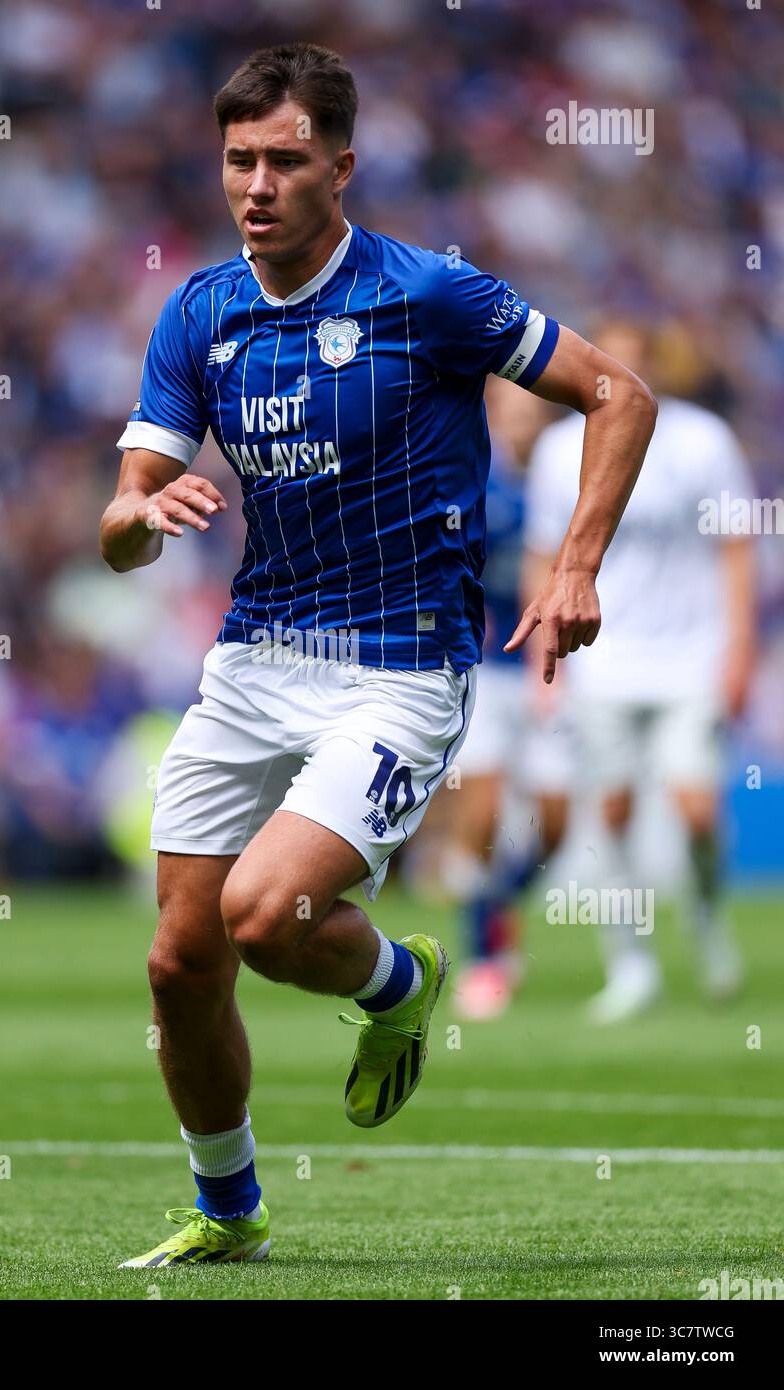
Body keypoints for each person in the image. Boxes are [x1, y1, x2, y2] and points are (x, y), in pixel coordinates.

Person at [99, 43, 656, 1266]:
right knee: (177, 958)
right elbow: (118, 519)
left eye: (285, 161)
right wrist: (137, 516)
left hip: (398, 667)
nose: (256, 185)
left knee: (260, 916)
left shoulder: (427, 295)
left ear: (340, 168)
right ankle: (229, 1209)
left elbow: (618, 395)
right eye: (239, 159)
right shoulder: (199, 309)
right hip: (251, 660)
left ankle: (398, 983)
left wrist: (572, 566)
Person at [524, 319, 756, 1023]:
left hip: (691, 653)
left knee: (696, 810)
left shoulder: (699, 440)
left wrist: (739, 647)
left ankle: (708, 923)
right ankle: (628, 962)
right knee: (615, 810)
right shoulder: (559, 449)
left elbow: (736, 547)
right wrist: (549, 658)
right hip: (605, 657)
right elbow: (543, 553)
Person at [439, 378, 574, 1020]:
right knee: (484, 817)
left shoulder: (564, 481)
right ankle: (482, 955)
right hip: (487, 669)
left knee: (553, 825)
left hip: (551, 673)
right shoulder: (470, 477)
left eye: (530, 411)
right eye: (509, 411)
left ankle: (501, 906)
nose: (520, 422)